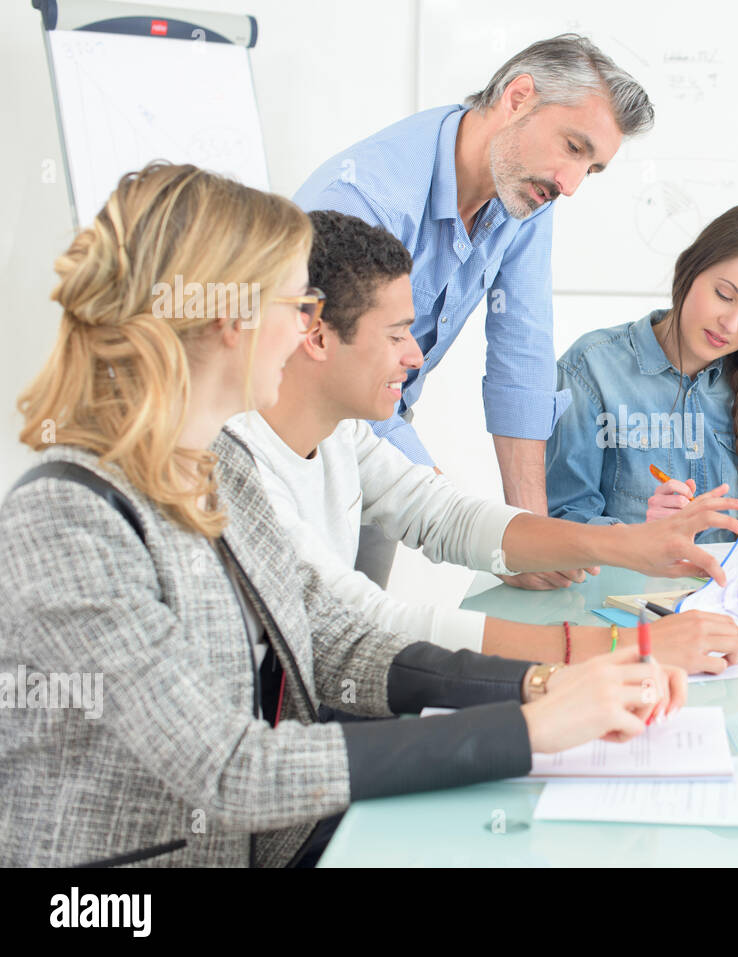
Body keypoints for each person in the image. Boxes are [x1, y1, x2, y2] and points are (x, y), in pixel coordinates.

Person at [0, 163, 698, 868]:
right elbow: (228, 768)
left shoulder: (217, 470)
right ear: (229, 318)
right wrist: (530, 727)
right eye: (295, 306)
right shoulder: (68, 519)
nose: (307, 330)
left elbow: (339, 644)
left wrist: (544, 684)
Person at [229, 210, 738, 675]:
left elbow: (444, 515)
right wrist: (631, 644)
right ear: (317, 336)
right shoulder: (236, 465)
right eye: (395, 336)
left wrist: (623, 545)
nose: (415, 356)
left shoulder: (342, 432)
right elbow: (370, 621)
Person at [295, 34, 653, 591]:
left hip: (386, 411)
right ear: (518, 98)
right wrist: (485, 536)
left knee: (362, 631)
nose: (572, 184)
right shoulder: (368, 200)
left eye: (593, 167)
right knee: (312, 630)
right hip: (305, 430)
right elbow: (337, 376)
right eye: (573, 147)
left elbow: (522, 356)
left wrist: (531, 535)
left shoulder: (527, 192)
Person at [546, 204, 738, 543]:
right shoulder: (592, 369)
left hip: (724, 593)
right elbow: (563, 520)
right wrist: (640, 537)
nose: (732, 325)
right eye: (724, 295)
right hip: (619, 592)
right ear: (690, 270)